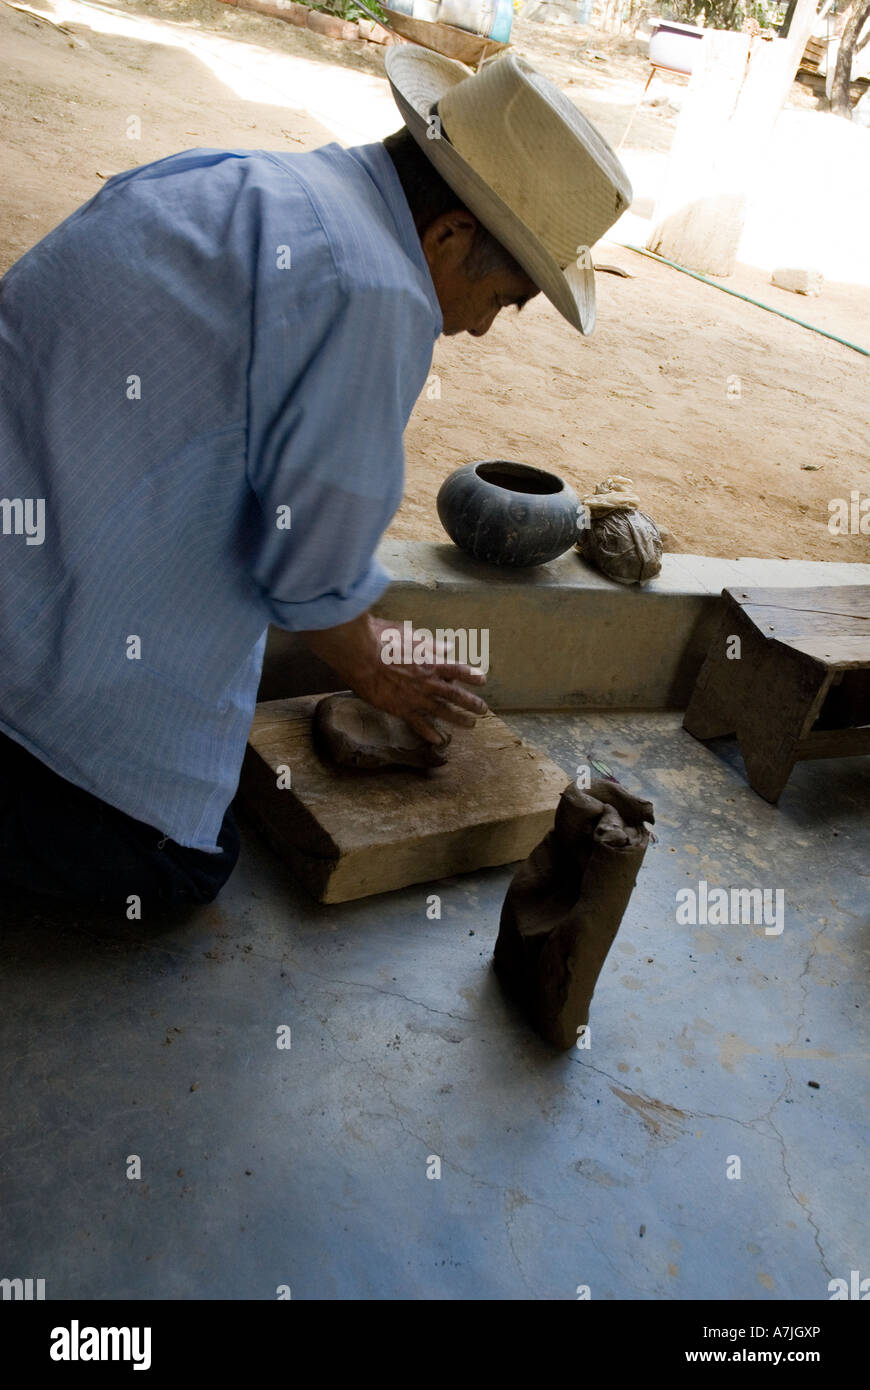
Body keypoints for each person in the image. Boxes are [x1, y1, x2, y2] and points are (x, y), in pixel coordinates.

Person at [0, 47, 631, 909]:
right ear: (449, 234)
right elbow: (306, 569)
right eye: (503, 299)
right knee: (181, 867)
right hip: (26, 658)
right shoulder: (374, 291)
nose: (483, 330)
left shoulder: (256, 179)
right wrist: (381, 670)